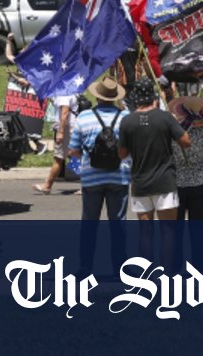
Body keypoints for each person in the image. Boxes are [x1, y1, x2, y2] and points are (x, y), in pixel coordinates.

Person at [69, 76, 131, 274]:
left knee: (89, 223)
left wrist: (90, 155)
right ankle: (120, 268)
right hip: (119, 176)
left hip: (91, 178)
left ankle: (85, 267)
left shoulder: (84, 117)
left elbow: (73, 150)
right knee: (118, 223)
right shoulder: (125, 117)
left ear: (97, 96)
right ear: (114, 97)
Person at [118, 78, 191, 221]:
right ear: (153, 96)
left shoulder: (127, 121)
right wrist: (175, 123)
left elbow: (122, 154)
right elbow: (186, 142)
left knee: (145, 234)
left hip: (140, 182)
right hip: (164, 181)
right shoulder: (165, 117)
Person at [34, 91, 78, 194]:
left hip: (66, 127)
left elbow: (64, 112)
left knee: (60, 157)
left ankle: (47, 186)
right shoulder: (69, 90)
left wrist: (61, 132)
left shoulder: (65, 93)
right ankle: (47, 185)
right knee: (70, 156)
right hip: (69, 126)